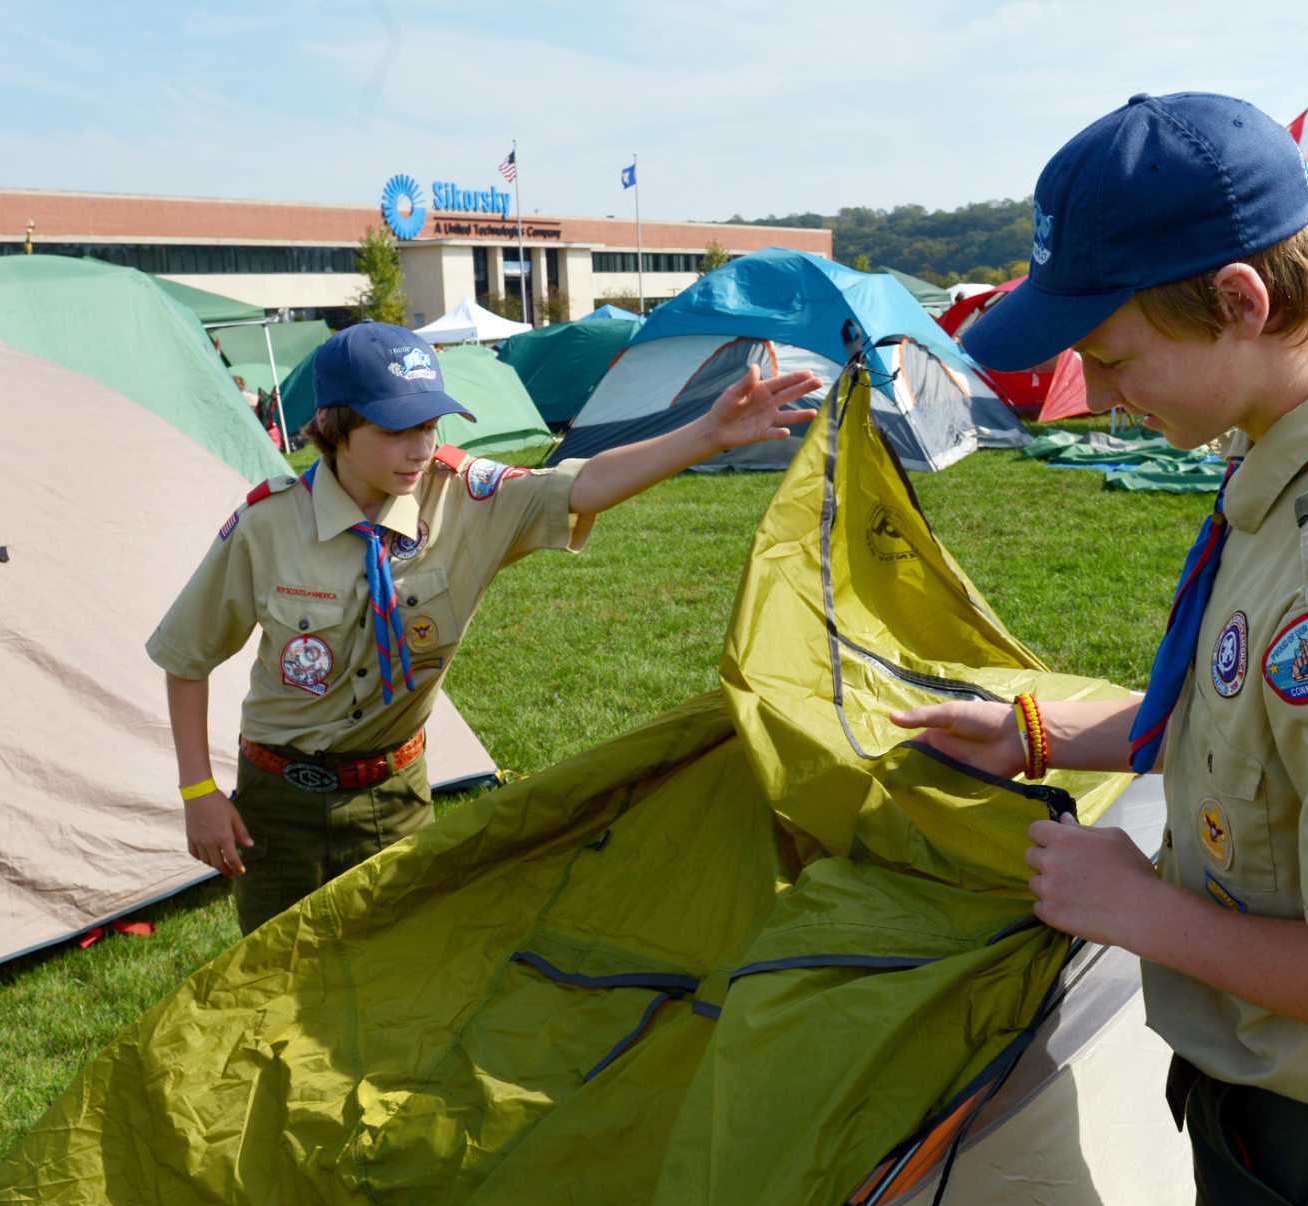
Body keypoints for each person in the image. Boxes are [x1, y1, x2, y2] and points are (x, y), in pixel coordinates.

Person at [895, 93, 1308, 1206]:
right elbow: (1251, 721)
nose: (1099, 397)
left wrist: (1134, 909)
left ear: (1238, 302)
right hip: (1288, 1084)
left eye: (1114, 355)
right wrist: (1044, 732)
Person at [149, 323, 820, 934]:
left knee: (398, 971)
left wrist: (705, 435)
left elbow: (578, 488)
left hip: (394, 795)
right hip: (279, 800)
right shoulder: (268, 528)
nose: (421, 448)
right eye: (394, 430)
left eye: (430, 425)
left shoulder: (465, 499)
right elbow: (187, 657)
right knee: (273, 974)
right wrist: (198, 792)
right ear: (334, 426)